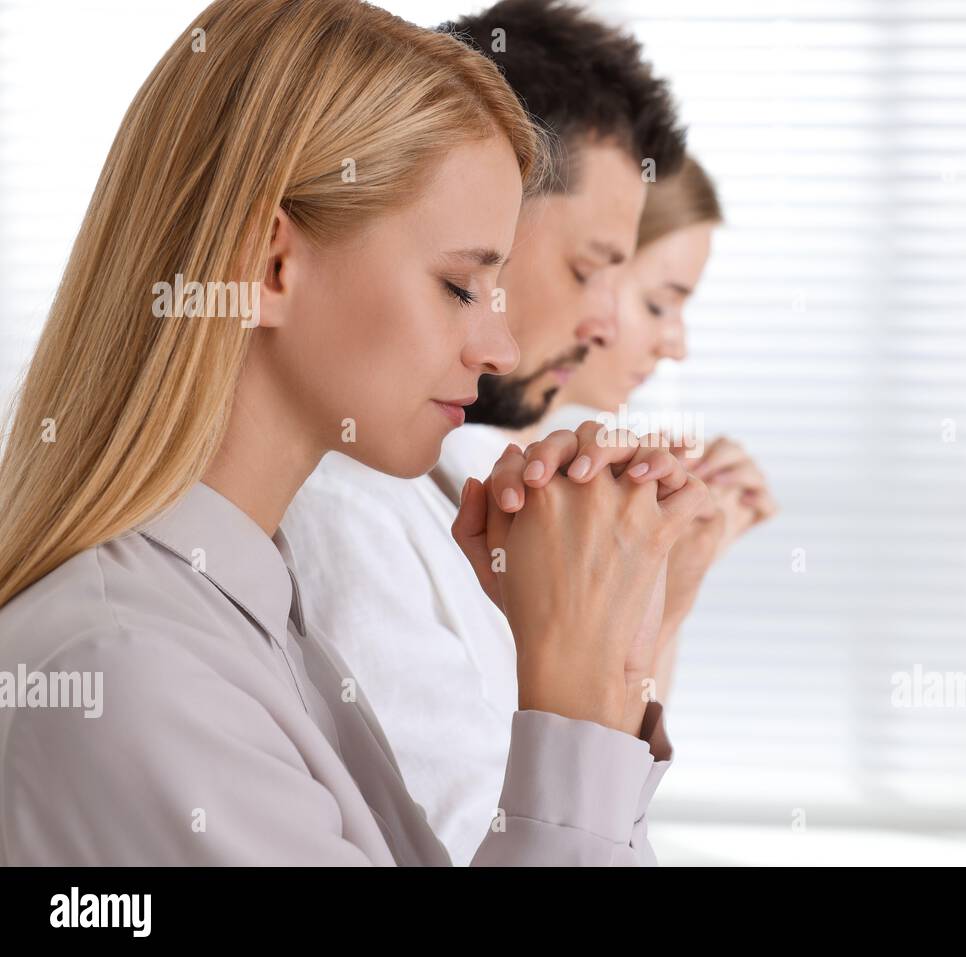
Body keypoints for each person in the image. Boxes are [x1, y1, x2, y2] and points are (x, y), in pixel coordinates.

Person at [0, 0, 707, 866]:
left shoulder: (267, 630)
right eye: (459, 287)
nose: (502, 347)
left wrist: (614, 641)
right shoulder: (129, 674)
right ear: (271, 266)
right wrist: (572, 708)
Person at [281, 0, 694, 864]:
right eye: (591, 270)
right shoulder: (337, 512)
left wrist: (639, 620)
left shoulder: (437, 484)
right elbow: (481, 839)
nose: (607, 324)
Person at [541, 155, 779, 699]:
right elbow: (557, 770)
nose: (677, 345)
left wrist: (673, 568)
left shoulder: (587, 472)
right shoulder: (395, 497)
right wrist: (660, 597)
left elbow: (622, 769)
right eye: (656, 305)